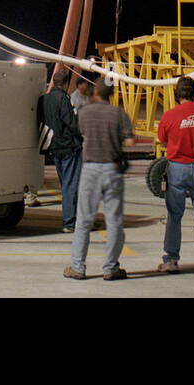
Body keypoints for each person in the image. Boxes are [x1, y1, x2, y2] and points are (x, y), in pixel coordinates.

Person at [67, 80, 133, 280]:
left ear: (95, 93)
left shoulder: (85, 112)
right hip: (112, 168)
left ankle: (78, 267)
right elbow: (129, 141)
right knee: (114, 221)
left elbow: (82, 132)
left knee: (83, 221)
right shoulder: (118, 113)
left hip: (90, 168)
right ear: (111, 95)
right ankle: (110, 268)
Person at [156, 77, 194, 273]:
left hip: (178, 167)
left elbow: (163, 140)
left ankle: (172, 259)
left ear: (176, 94)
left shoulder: (169, 116)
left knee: (174, 215)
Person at [38, 68, 83, 233]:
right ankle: (69, 222)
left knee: (65, 183)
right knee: (70, 185)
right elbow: (71, 122)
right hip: (69, 147)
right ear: (65, 83)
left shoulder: (44, 99)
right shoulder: (64, 99)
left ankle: (70, 219)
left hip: (54, 146)